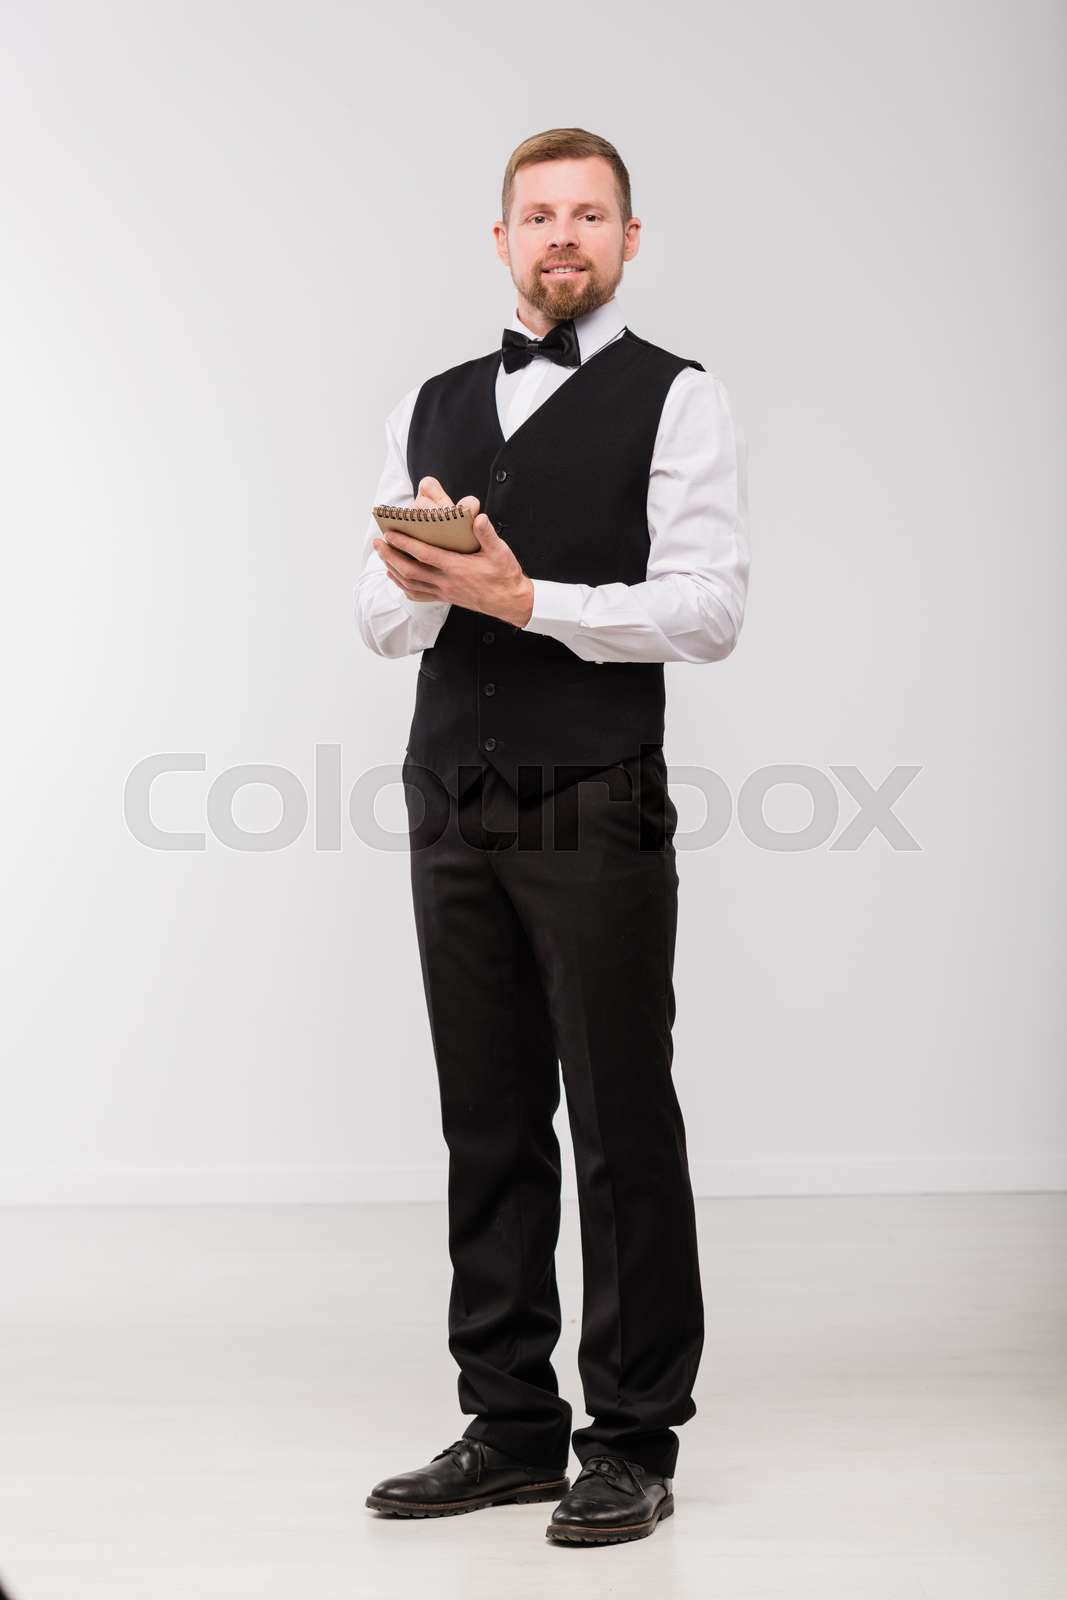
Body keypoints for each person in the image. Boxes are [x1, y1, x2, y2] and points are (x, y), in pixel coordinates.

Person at [354, 126, 750, 1546]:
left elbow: (708, 609)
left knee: (620, 1113)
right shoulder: (438, 397)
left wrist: (535, 603)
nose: (563, 236)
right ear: (504, 240)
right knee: (492, 1115)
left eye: (591, 215)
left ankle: (633, 1436)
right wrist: (425, 575)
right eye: (538, 216)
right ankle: (510, 1423)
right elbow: (377, 616)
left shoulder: (677, 398)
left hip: (597, 793)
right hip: (448, 790)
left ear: (628, 242)